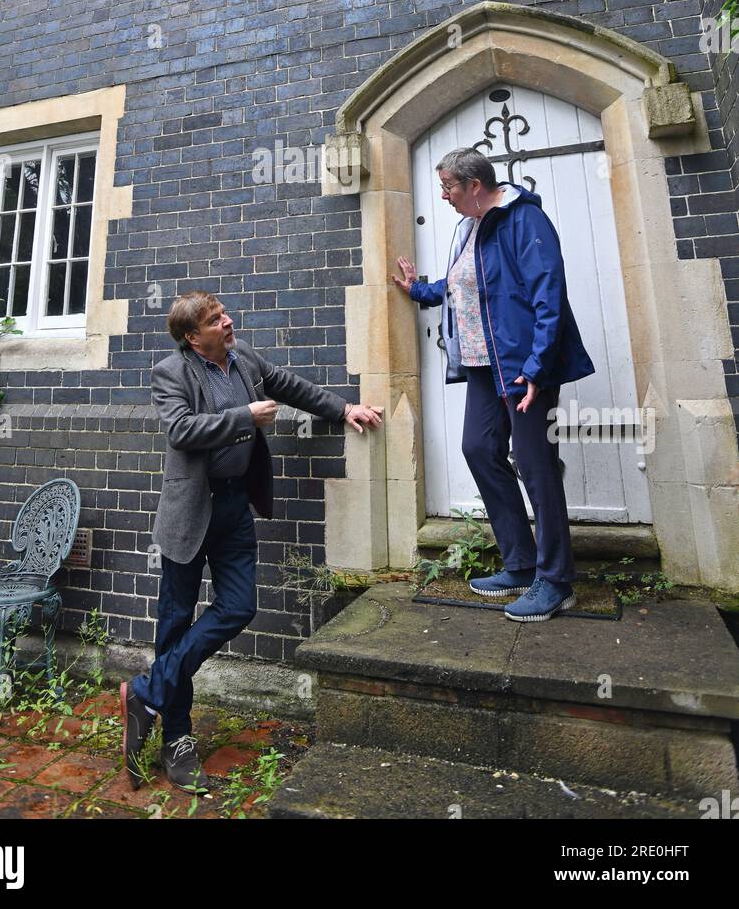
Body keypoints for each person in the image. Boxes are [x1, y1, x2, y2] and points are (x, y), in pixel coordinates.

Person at [121, 291, 383, 791]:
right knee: (174, 626)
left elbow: (291, 386)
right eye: (216, 320)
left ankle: (146, 692)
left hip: (234, 509)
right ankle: (176, 740)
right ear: (193, 337)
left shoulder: (246, 360)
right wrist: (245, 417)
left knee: (239, 606)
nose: (227, 321)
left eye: (224, 314)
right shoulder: (170, 372)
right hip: (189, 512)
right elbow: (180, 430)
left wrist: (345, 406)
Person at [393, 147, 595, 622]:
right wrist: (418, 289)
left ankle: (556, 581)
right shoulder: (473, 227)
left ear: (475, 186)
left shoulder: (524, 220)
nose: (443, 196)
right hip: (485, 366)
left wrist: (539, 367)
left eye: (449, 188)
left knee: (536, 466)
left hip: (523, 368)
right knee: (479, 449)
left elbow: (550, 294)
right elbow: (464, 285)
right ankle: (521, 564)